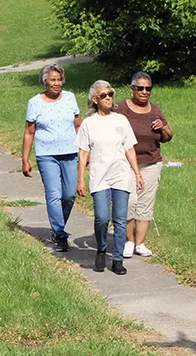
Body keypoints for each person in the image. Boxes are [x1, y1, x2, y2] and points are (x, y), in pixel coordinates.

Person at [76, 80, 144, 275]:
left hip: (121, 175)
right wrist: (80, 179)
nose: (108, 98)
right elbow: (83, 154)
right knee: (102, 217)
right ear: (95, 100)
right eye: (103, 95)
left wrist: (137, 173)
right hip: (100, 177)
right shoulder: (89, 123)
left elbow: (129, 148)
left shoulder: (121, 120)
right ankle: (101, 249)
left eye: (110, 94)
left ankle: (117, 259)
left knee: (120, 219)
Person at [22, 64, 81, 252]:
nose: (56, 83)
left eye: (59, 79)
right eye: (52, 80)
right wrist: (25, 158)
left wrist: (84, 149)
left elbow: (78, 126)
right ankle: (59, 232)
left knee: (69, 194)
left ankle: (59, 222)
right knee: (54, 195)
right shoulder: (35, 102)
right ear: (45, 81)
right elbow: (29, 132)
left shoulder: (70, 98)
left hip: (70, 153)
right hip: (46, 155)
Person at [115, 71, 173, 258]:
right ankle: (127, 241)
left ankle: (140, 243)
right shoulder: (121, 108)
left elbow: (168, 136)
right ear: (132, 89)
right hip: (126, 163)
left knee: (145, 204)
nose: (144, 92)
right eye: (140, 88)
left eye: (148, 89)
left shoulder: (154, 110)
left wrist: (162, 127)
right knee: (129, 201)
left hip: (151, 162)